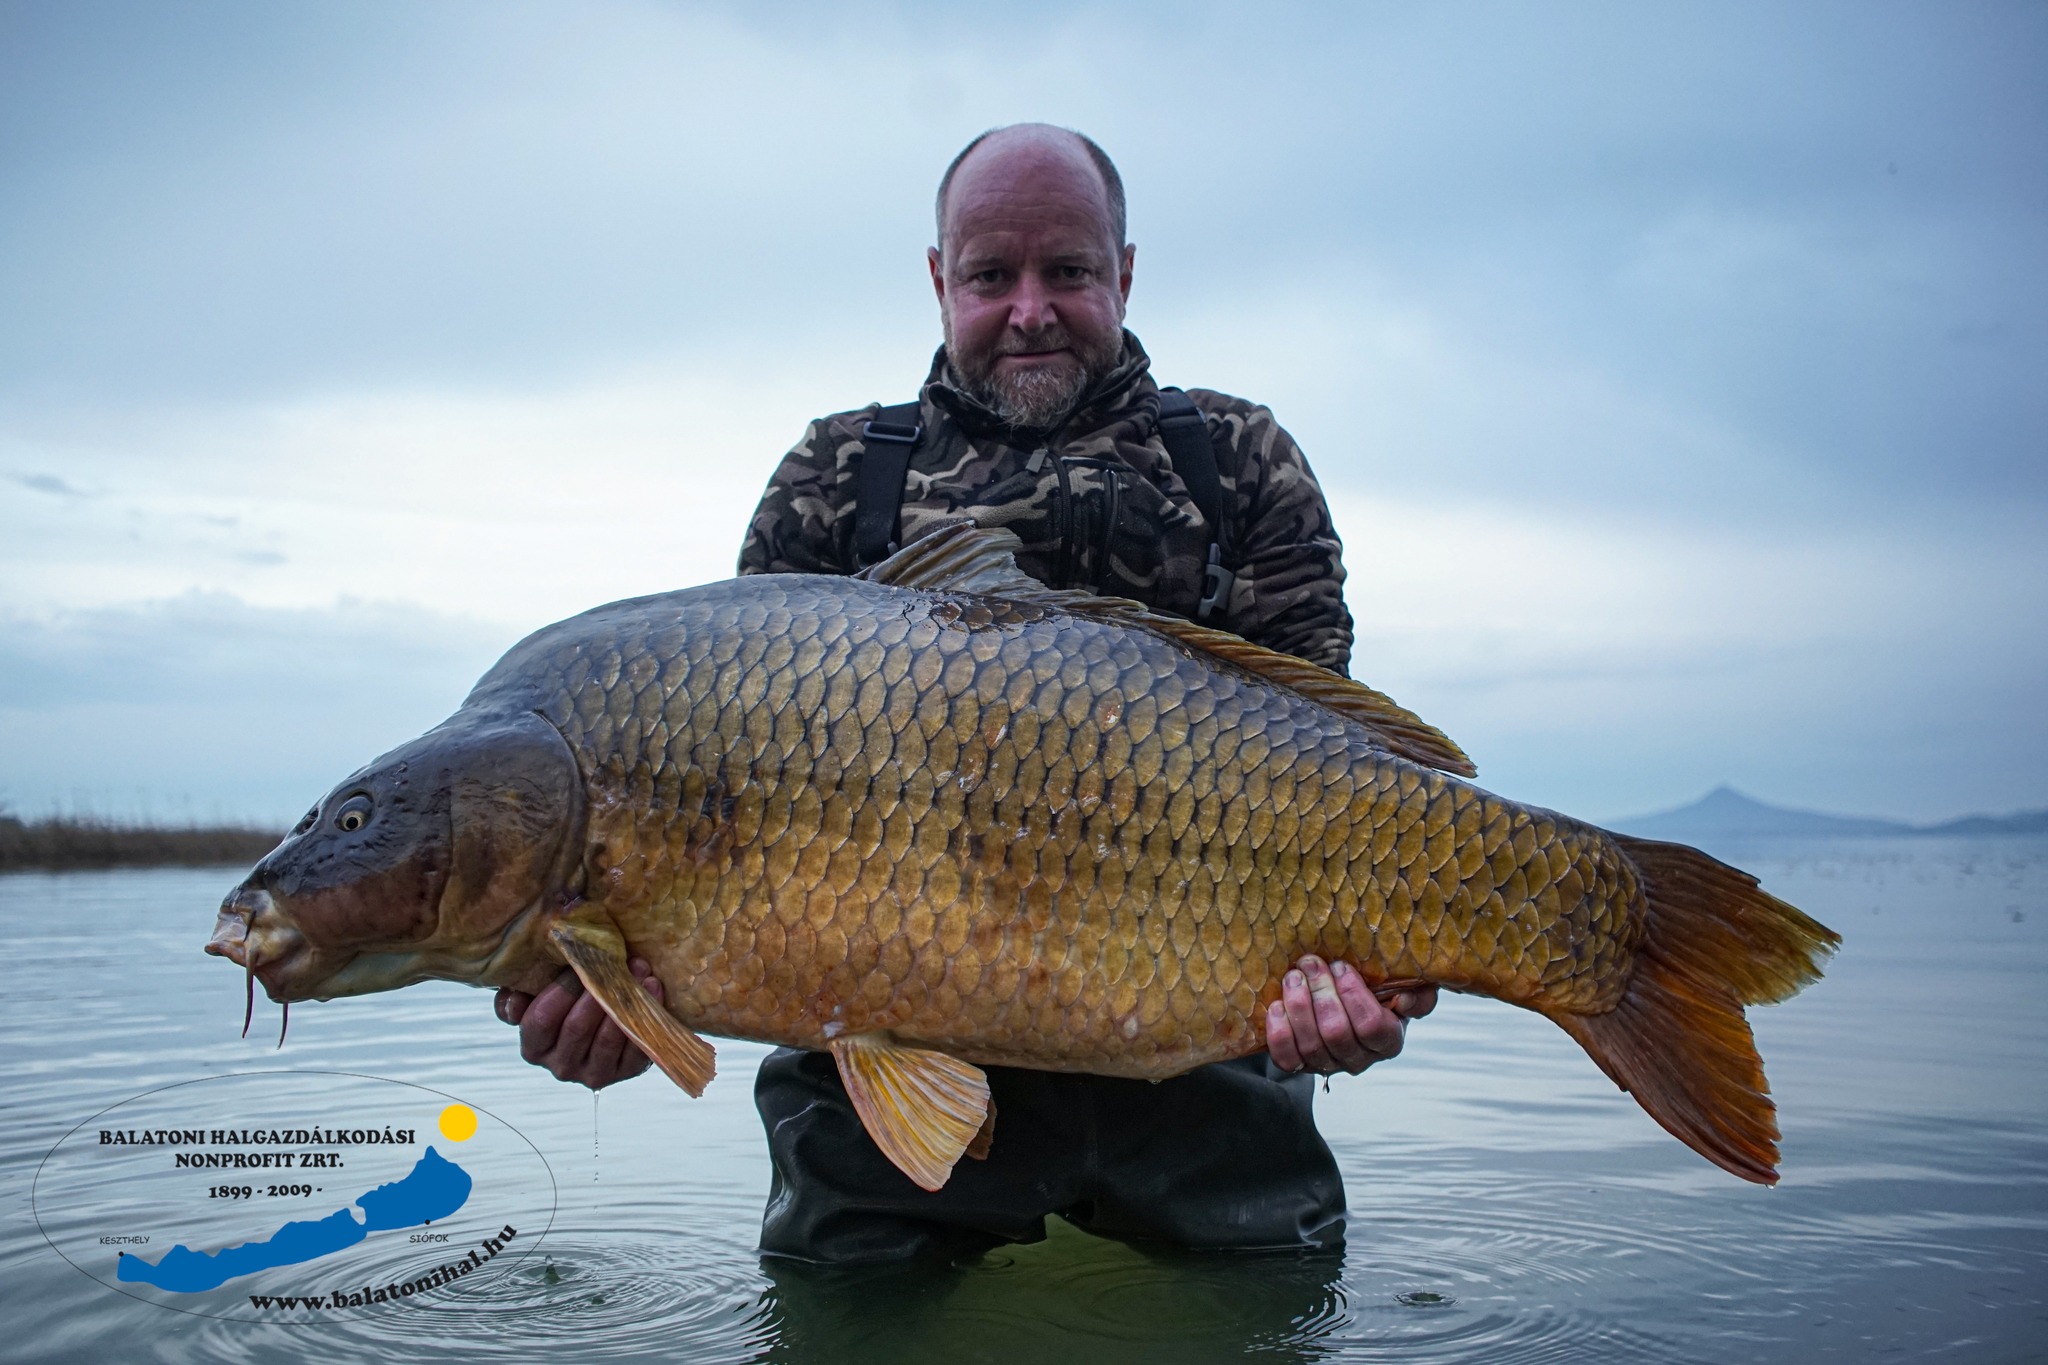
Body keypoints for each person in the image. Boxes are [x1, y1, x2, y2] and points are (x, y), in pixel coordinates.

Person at [497, 124, 1437, 1263]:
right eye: (992, 276)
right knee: (848, 1319)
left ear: (1125, 273)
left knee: (1258, 1312)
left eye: (1068, 271)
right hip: (871, 1095)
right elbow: (725, 834)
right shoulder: (837, 476)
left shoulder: (1236, 460)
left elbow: (1334, 776)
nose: (1030, 310)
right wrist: (618, 1000)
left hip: (1200, 1066)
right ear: (941, 280)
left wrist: (1354, 994)